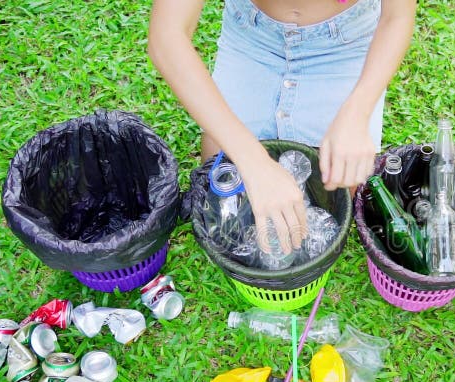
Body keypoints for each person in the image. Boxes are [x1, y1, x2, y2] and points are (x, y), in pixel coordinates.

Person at [148, 0, 416, 254]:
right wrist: (254, 162)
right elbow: (167, 36)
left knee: (338, 193)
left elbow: (397, 16)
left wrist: (357, 112)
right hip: (253, 37)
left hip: (344, 43)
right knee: (222, 182)